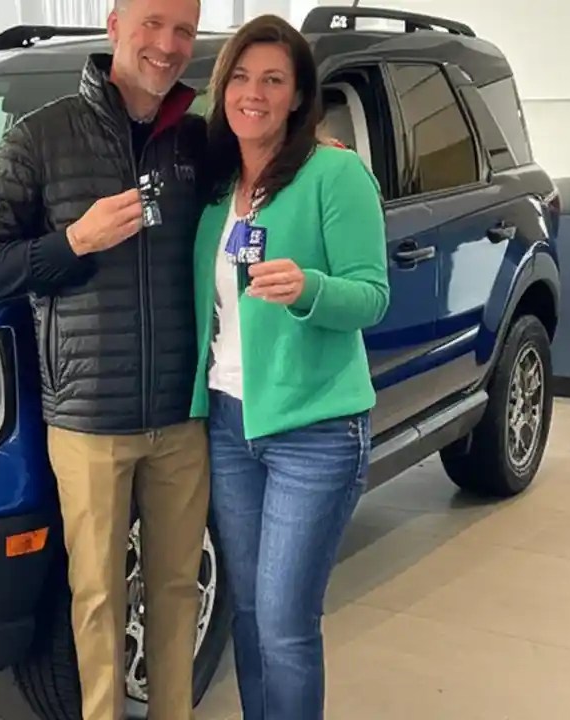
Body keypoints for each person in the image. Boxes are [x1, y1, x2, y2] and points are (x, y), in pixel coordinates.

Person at [0, 1, 210, 718]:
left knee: (176, 591)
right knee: (97, 597)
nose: (168, 45)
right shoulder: (39, 138)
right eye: (153, 22)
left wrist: (319, 148)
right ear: (115, 25)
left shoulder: (198, 140)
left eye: (184, 30)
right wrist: (75, 241)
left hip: (182, 415)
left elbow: (267, 170)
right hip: (89, 419)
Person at [186, 13, 390, 720]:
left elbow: (373, 295)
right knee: (246, 614)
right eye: (241, 77)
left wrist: (310, 288)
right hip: (228, 422)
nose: (255, 93)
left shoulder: (335, 173)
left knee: (283, 623)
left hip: (316, 429)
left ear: (300, 95)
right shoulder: (217, 186)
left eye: (274, 80)